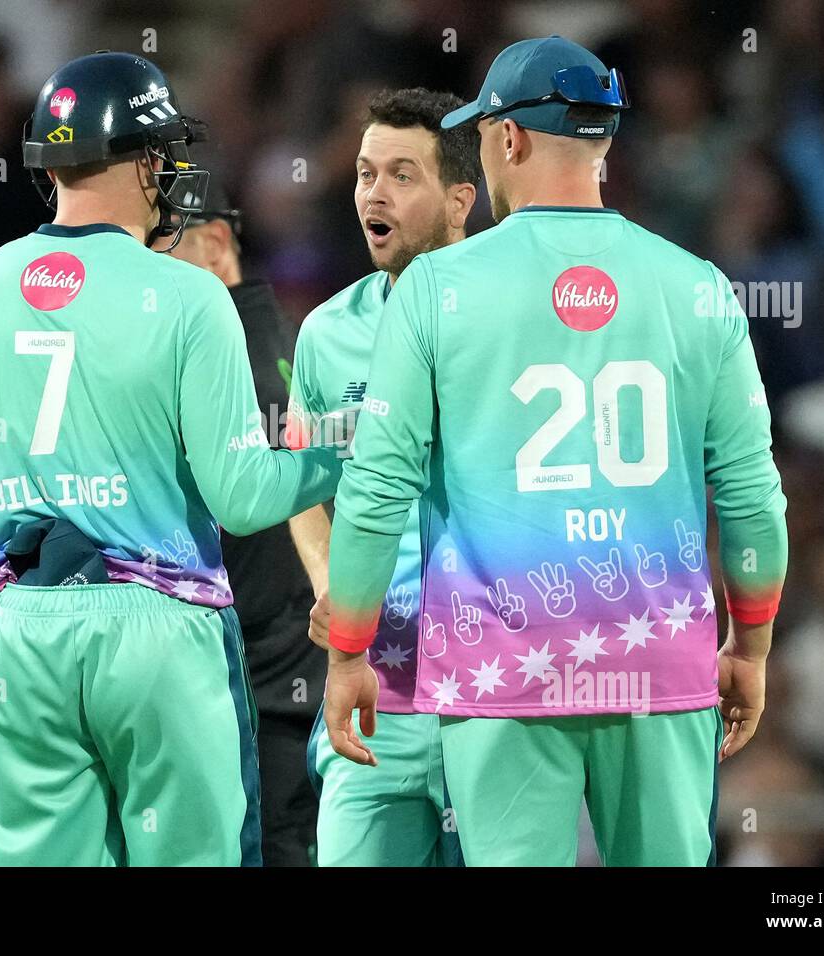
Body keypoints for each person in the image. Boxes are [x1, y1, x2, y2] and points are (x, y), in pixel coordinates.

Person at [323, 36, 789, 866]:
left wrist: (350, 650)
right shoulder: (700, 287)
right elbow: (753, 494)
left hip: (501, 669)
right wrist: (748, 644)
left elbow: (374, 489)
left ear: (507, 139)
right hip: (659, 658)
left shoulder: (437, 288)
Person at [0, 52, 344, 866]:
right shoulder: (189, 296)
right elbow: (246, 497)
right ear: (150, 162)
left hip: (18, 630)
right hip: (158, 626)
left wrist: (53, 494)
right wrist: (342, 445)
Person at [286, 88, 479, 866]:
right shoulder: (327, 334)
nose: (373, 191)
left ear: (460, 198)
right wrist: (334, 586)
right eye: (366, 173)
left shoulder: (514, 323)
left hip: (497, 690)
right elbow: (303, 485)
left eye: (402, 174)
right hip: (374, 691)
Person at [164, 179, 326, 866]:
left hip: (260, 710)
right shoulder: (290, 346)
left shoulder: (241, 370)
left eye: (160, 246)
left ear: (218, 242)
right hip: (294, 697)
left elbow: (255, 565)